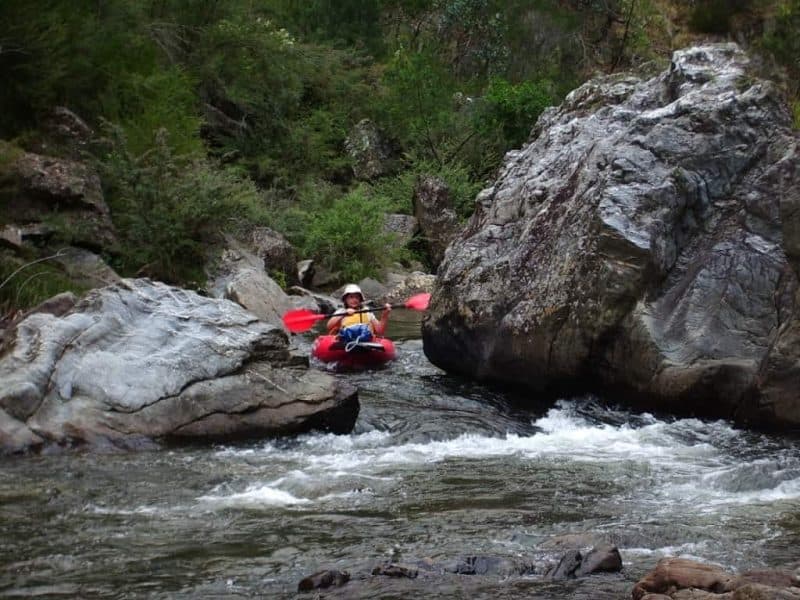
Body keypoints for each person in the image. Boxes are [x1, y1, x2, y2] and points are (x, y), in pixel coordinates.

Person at [327, 284, 391, 339]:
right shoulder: (341, 311)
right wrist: (344, 314)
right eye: (351, 297)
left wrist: (384, 315)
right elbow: (329, 326)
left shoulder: (367, 311)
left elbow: (380, 331)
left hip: (366, 341)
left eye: (357, 297)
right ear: (345, 299)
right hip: (345, 340)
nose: (354, 300)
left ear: (360, 299)